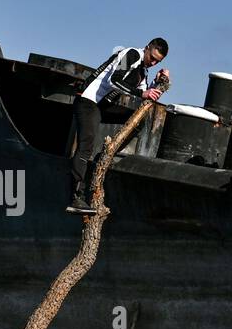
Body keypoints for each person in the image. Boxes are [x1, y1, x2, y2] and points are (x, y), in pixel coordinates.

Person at [67, 38, 170, 213]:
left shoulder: (143, 70)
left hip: (102, 106)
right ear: (147, 48)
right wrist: (143, 92)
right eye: (152, 57)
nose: (152, 63)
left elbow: (143, 94)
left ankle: (107, 154)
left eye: (157, 62)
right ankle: (75, 197)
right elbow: (115, 80)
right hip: (88, 101)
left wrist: (157, 83)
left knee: (139, 121)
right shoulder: (129, 54)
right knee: (86, 146)